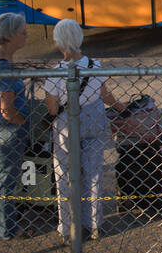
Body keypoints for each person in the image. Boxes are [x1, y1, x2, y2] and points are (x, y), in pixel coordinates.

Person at [42, 19, 119, 241]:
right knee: (93, 172)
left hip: (67, 125)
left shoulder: (57, 72)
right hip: (94, 120)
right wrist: (121, 107)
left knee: (64, 174)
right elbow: (104, 94)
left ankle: (67, 226)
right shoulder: (95, 66)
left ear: (59, 43)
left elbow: (53, 106)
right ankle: (94, 223)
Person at [0, 13, 32, 240]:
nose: (26, 36)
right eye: (23, 33)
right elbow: (7, 109)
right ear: (10, 36)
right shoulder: (5, 69)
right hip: (8, 129)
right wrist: (23, 123)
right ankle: (7, 229)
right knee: (5, 180)